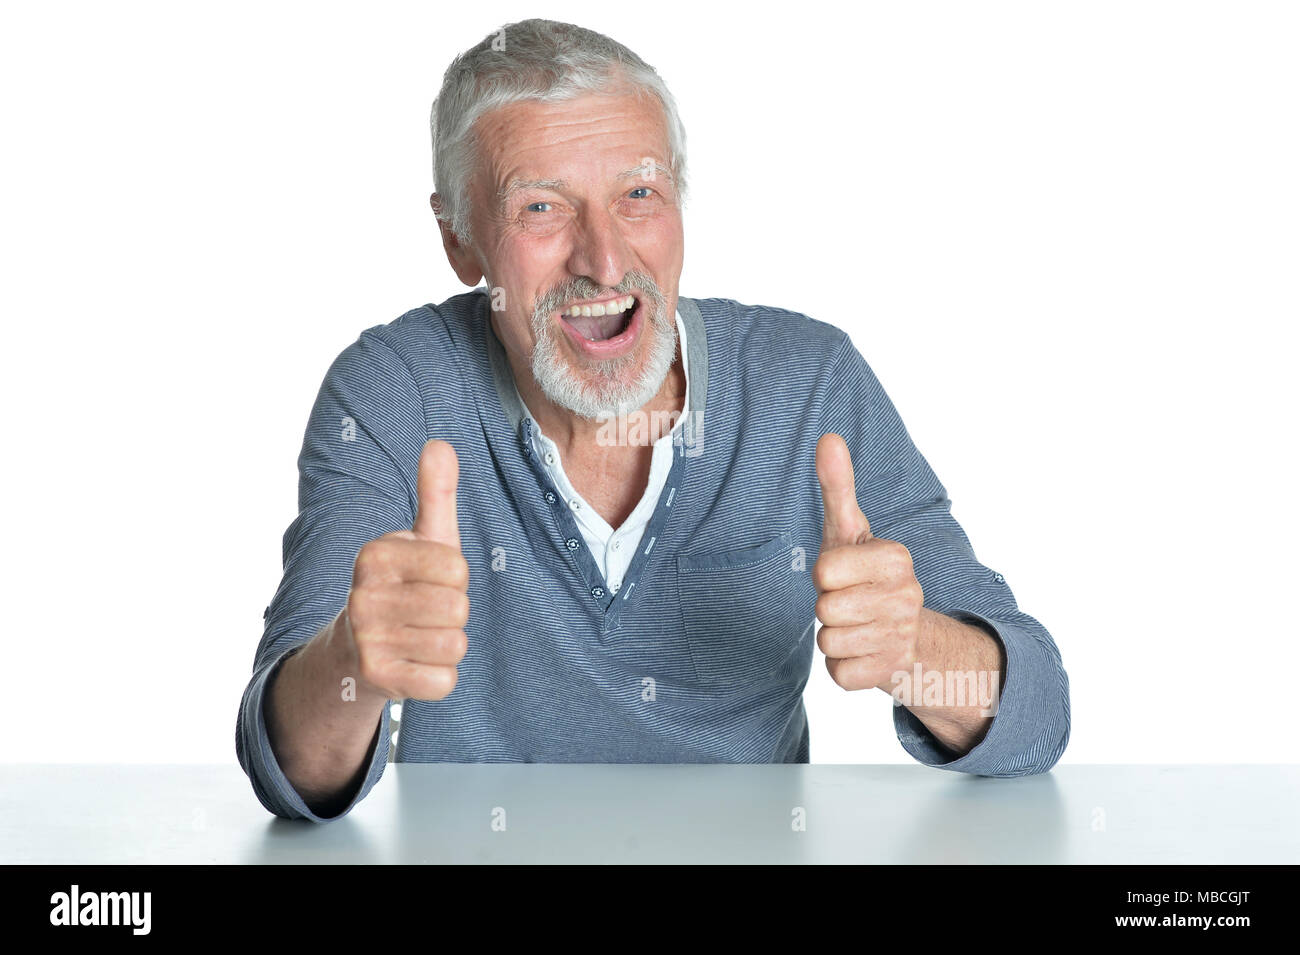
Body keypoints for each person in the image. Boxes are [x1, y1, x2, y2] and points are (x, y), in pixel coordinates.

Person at [236, 18, 1070, 822]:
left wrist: (916, 649)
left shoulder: (809, 382)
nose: (604, 258)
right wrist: (353, 660)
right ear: (460, 240)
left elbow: (1037, 720)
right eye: (541, 208)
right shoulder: (393, 391)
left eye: (638, 194)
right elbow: (287, 768)